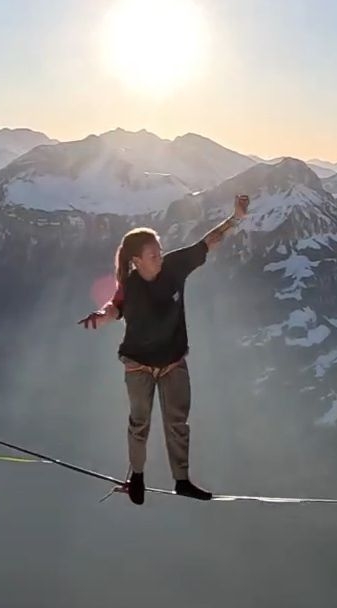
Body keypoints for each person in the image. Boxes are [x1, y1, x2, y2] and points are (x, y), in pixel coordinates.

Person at [79, 193, 249, 504]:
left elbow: (208, 241)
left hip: (173, 361)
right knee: (139, 423)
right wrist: (102, 318)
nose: (160, 256)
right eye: (154, 254)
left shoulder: (174, 267)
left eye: (160, 251)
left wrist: (236, 218)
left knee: (177, 423)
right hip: (139, 364)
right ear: (137, 261)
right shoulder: (130, 286)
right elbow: (115, 309)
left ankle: (182, 480)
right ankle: (138, 477)